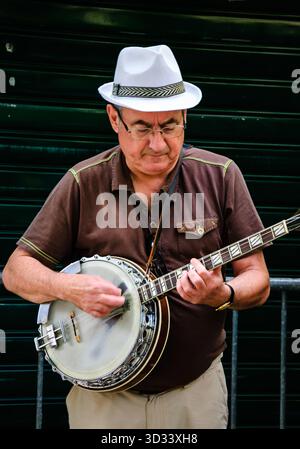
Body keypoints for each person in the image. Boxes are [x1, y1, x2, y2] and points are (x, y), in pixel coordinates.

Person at [2, 44, 270, 429]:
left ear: (185, 118)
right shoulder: (84, 181)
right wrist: (69, 288)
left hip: (193, 394)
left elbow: (257, 279)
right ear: (115, 119)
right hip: (105, 403)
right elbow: (16, 272)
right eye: (143, 128)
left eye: (170, 126)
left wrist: (223, 295)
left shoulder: (221, 175)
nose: (158, 144)